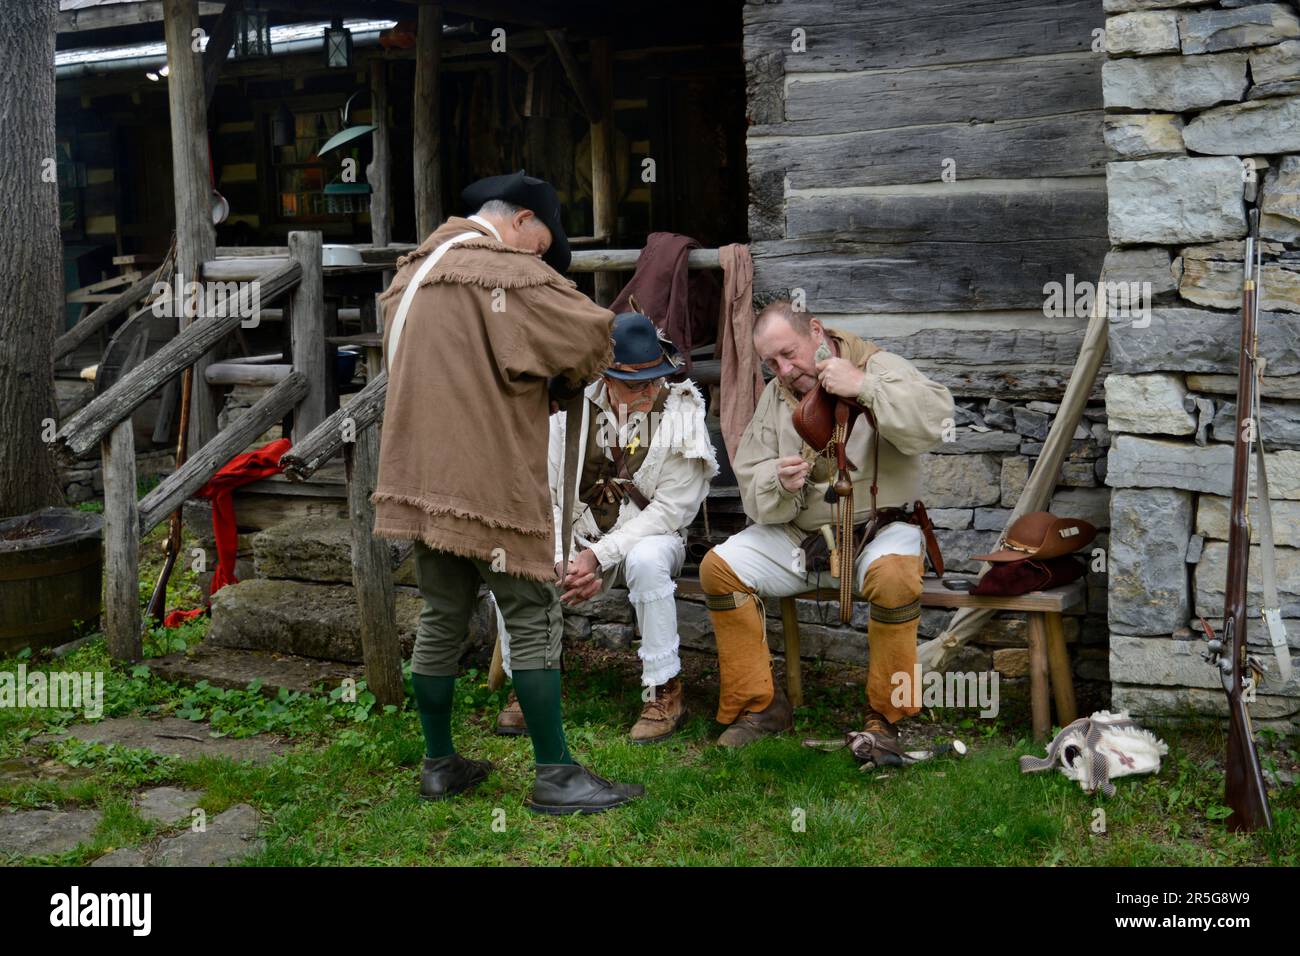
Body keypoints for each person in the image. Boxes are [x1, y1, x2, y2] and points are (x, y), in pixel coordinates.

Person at [372, 170, 643, 814]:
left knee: (442, 614)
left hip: (420, 480)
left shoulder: (410, 276)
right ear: (519, 221)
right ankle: (555, 775)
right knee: (533, 613)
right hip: (487, 480)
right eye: (542, 243)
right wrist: (559, 383)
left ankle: (438, 764)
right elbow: (591, 332)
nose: (540, 259)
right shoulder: (502, 269)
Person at [698, 300, 954, 753]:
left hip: (879, 530)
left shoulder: (879, 365)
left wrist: (867, 388)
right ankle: (762, 706)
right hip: (802, 536)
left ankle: (885, 717)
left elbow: (936, 421)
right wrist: (777, 481)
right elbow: (751, 477)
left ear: (816, 331)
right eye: (771, 362)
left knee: (894, 578)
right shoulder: (775, 395)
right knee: (719, 568)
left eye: (789, 353)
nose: (783, 369)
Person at [494, 312, 717, 743]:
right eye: (637, 383)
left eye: (656, 379)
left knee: (648, 559)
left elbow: (671, 511)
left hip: (648, 538)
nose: (650, 390)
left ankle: (663, 689)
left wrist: (599, 556)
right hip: (576, 536)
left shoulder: (681, 413)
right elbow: (547, 495)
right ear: (608, 378)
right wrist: (562, 559)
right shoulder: (569, 410)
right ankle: (531, 685)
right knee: (515, 556)